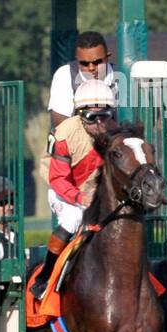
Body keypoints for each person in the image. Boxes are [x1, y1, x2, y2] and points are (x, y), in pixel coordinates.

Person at [32, 80, 115, 299]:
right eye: (91, 117)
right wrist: (79, 196)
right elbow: (58, 178)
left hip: (95, 193)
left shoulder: (115, 132)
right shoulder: (64, 133)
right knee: (73, 218)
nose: (99, 122)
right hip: (63, 190)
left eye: (104, 116)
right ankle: (45, 276)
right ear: (79, 114)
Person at [47, 32, 119, 130]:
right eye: (84, 63)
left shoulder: (120, 74)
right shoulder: (65, 74)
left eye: (97, 62)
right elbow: (60, 121)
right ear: (77, 60)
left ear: (107, 57)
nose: (91, 68)